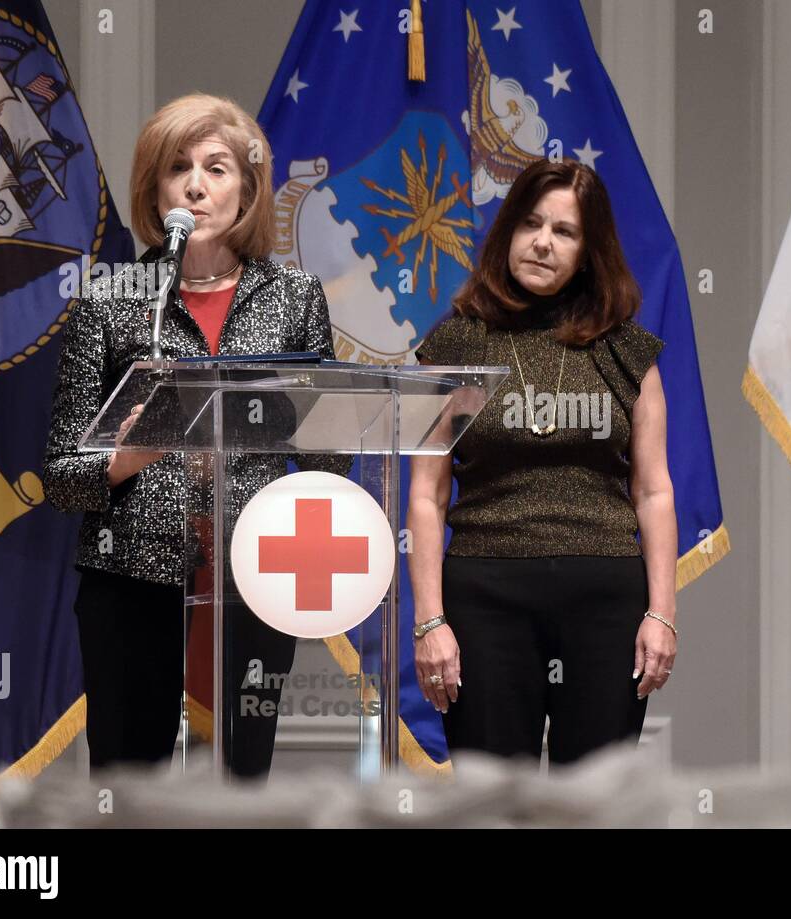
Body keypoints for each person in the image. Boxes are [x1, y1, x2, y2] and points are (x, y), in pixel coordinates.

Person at [43, 93, 345, 777]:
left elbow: (332, 454)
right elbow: (60, 474)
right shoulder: (111, 297)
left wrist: (291, 415)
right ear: (156, 189)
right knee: (128, 781)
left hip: (255, 572)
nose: (197, 185)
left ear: (248, 187)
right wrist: (124, 459)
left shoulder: (295, 296)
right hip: (130, 578)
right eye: (177, 168)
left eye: (217, 167)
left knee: (244, 782)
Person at [407, 159, 678, 765]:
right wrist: (429, 622)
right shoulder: (454, 346)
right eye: (530, 223)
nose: (542, 242)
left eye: (564, 231)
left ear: (588, 252)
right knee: (494, 806)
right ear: (507, 231)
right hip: (484, 602)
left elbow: (654, 491)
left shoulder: (629, 352)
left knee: (592, 808)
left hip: (606, 605)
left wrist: (662, 613)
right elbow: (426, 496)